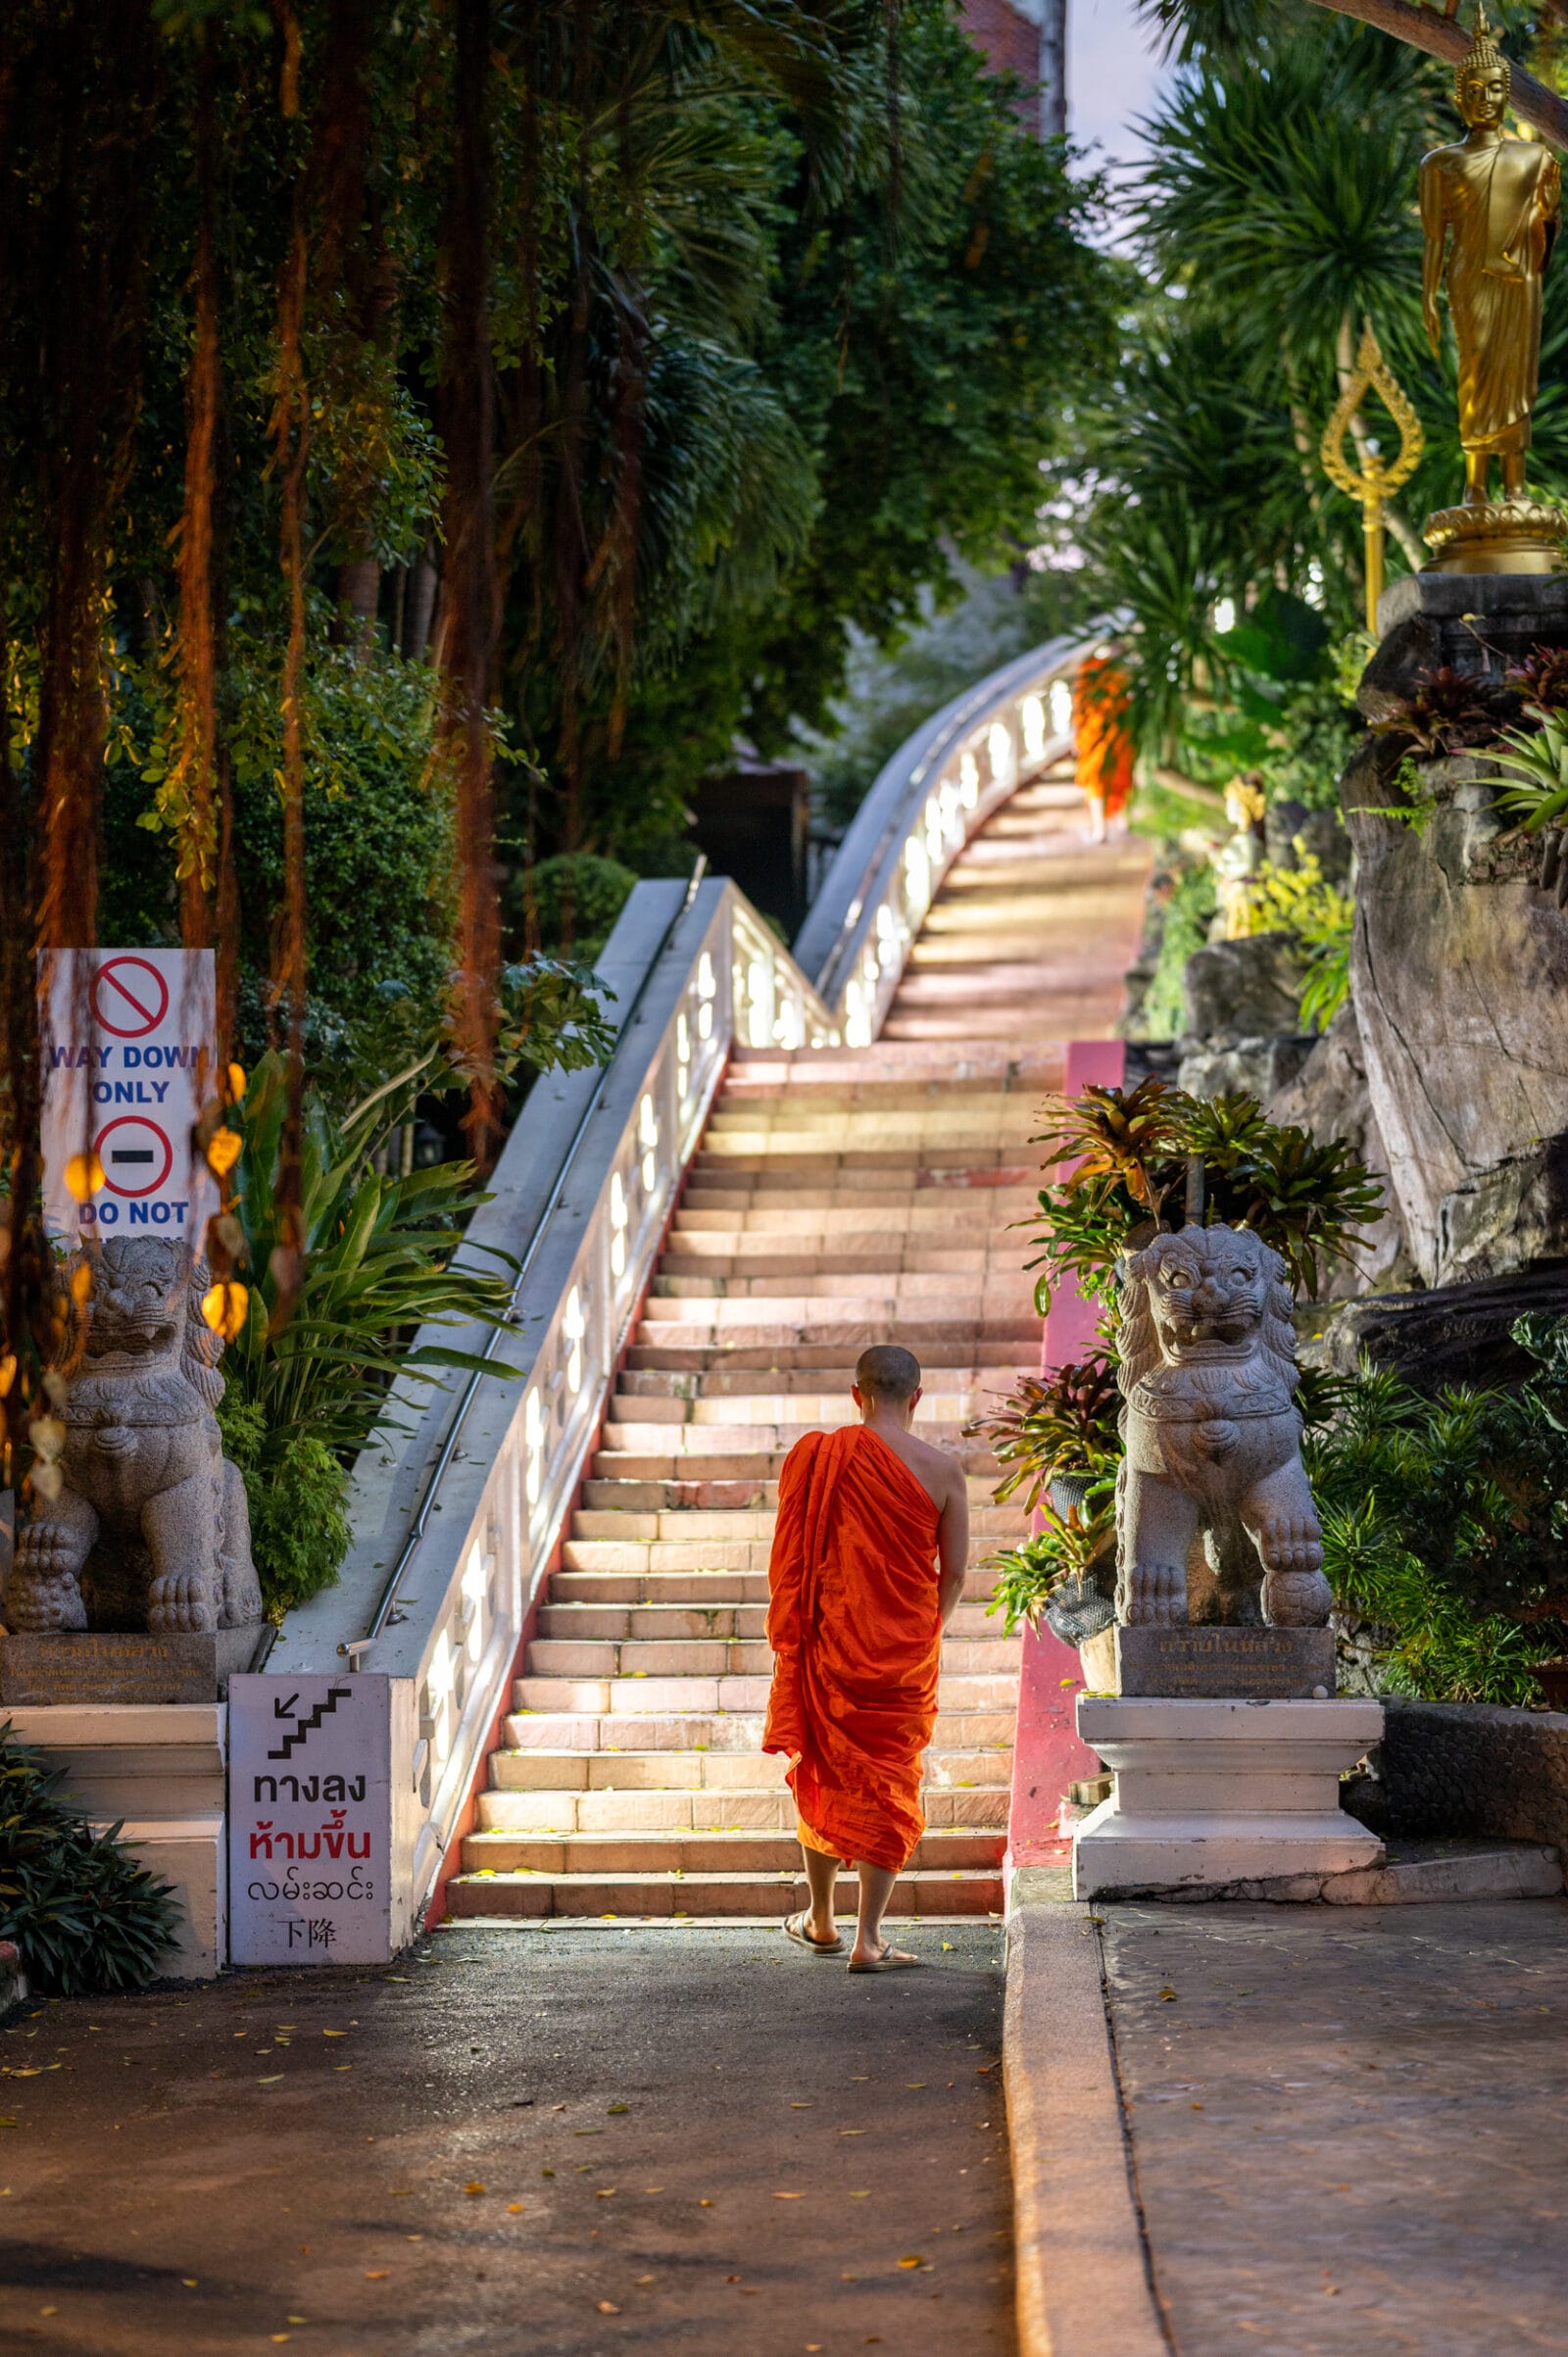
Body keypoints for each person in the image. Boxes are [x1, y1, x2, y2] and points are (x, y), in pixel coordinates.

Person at [762, 1343, 969, 1973]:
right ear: (917, 1398)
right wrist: (922, 1632)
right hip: (903, 1654)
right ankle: (868, 1938)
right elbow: (955, 1574)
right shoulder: (943, 1470)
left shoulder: (819, 1458)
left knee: (826, 1768)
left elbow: (795, 1559)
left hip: (830, 1648)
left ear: (857, 1395)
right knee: (889, 1777)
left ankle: (821, 1920)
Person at [1420, 4, 1559, 510]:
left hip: (1519, 278)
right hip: (1469, 279)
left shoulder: (1535, 158)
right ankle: (1476, 486)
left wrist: (1546, 209)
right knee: (1476, 377)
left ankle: (1516, 487)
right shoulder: (1441, 163)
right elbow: (1436, 237)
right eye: (1474, 91)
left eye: (1496, 89)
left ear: (1507, 93)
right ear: (1460, 97)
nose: (1486, 99)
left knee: (1518, 381)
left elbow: (1543, 227)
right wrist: (1428, 297)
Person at [1071, 646, 1135, 843]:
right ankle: (1105, 825)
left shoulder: (1098, 670)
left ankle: (1113, 823)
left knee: (1114, 776)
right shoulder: (1091, 669)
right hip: (1098, 733)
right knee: (1101, 779)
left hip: (1111, 732)